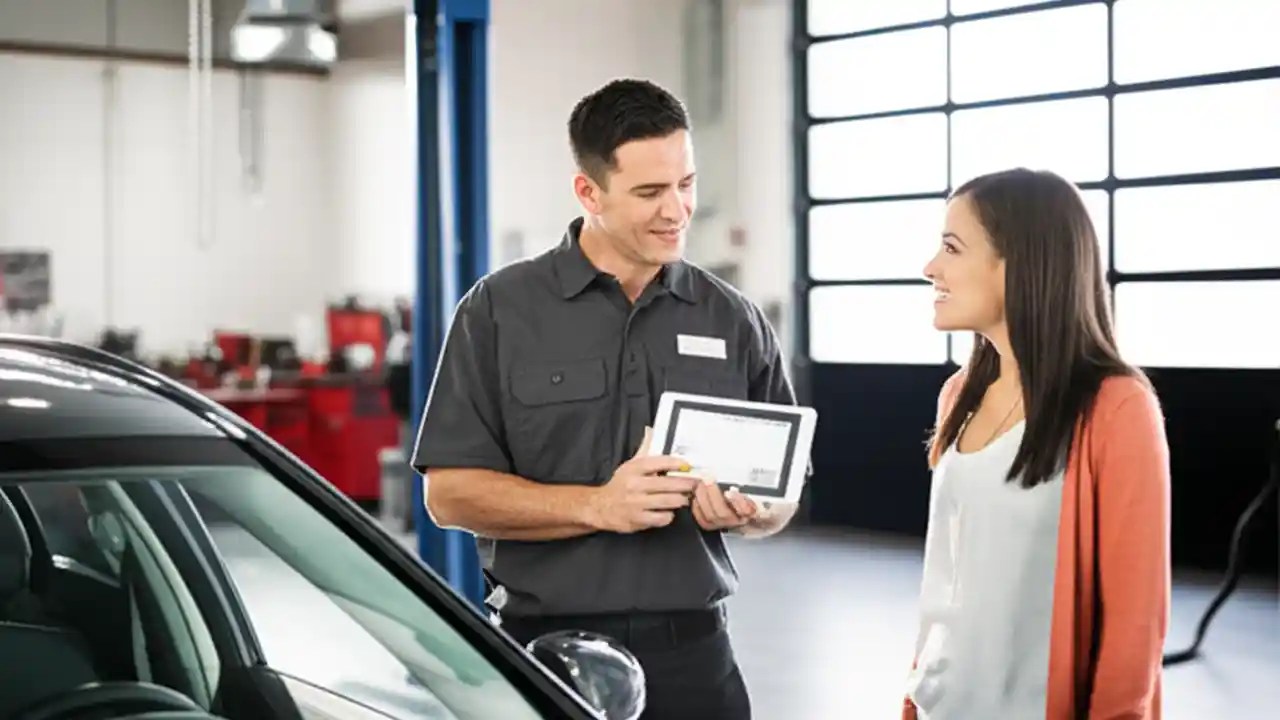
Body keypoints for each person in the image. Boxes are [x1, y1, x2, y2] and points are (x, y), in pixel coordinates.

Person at [411, 78, 800, 720]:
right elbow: (448, 495)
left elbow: (782, 499)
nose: (676, 210)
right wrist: (598, 506)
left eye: (686, 184)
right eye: (649, 192)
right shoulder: (499, 312)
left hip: (696, 660)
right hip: (546, 658)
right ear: (587, 192)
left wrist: (751, 512)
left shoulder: (734, 320)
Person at [903, 168, 1171, 720]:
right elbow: (947, 585)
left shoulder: (1116, 408)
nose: (931, 267)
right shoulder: (958, 395)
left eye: (952, 248)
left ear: (1018, 264)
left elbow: (1134, 626)